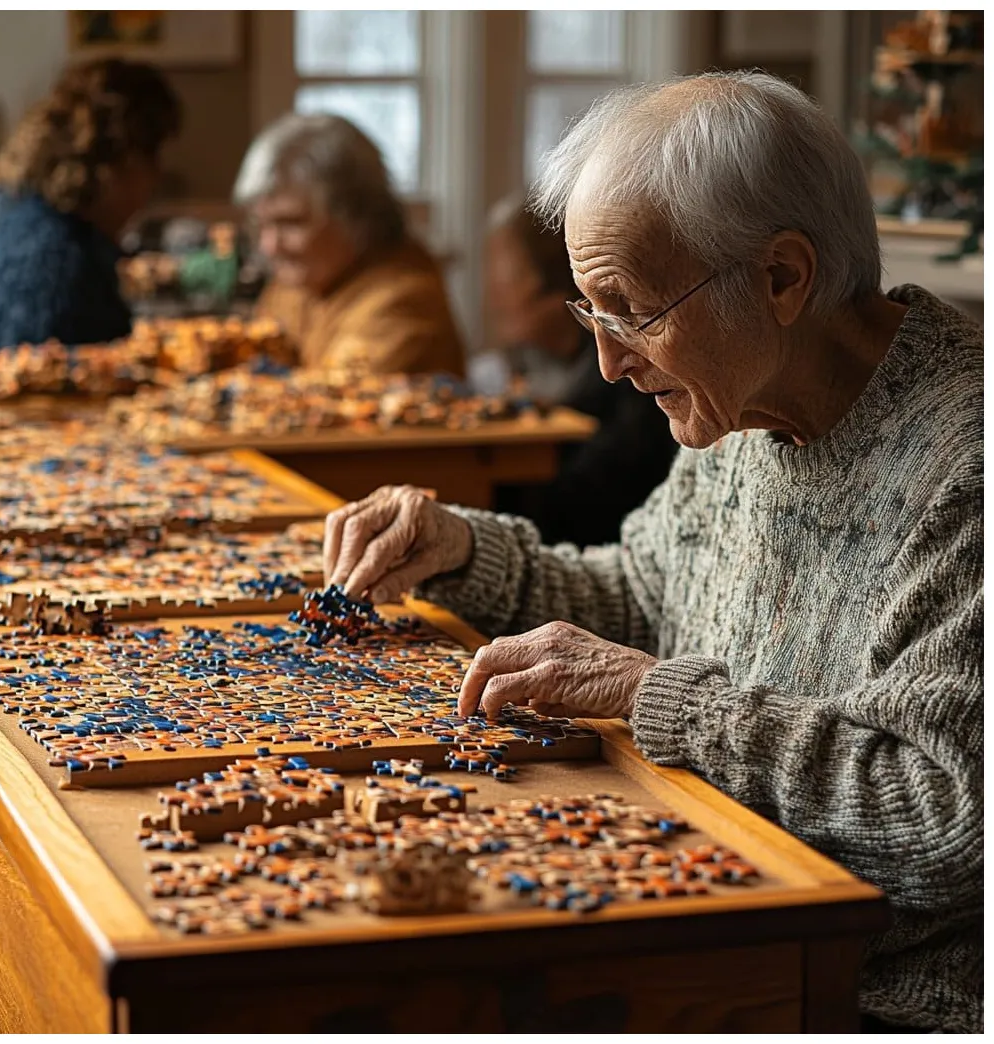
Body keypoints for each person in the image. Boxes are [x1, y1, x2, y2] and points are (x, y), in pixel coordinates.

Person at [321, 73, 981, 1033]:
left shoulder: (967, 471)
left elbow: (948, 819)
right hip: (717, 922)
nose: (608, 361)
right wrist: (462, 549)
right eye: (592, 314)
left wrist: (659, 698)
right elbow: (640, 598)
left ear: (783, 278)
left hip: (863, 1000)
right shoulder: (750, 403)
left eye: (631, 310)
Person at [486, 196, 678, 546]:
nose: (492, 292)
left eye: (506, 274)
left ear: (560, 283)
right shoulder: (522, 370)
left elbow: (578, 510)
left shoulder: (630, 384)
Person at [0, 59, 181, 357]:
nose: (154, 180)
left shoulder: (1, 211)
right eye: (152, 159)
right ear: (122, 161)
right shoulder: (64, 263)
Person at [233, 113, 466, 377]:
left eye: (291, 223)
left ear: (357, 216)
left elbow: (326, 407)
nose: (269, 246)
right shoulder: (302, 283)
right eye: (261, 225)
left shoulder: (403, 302)